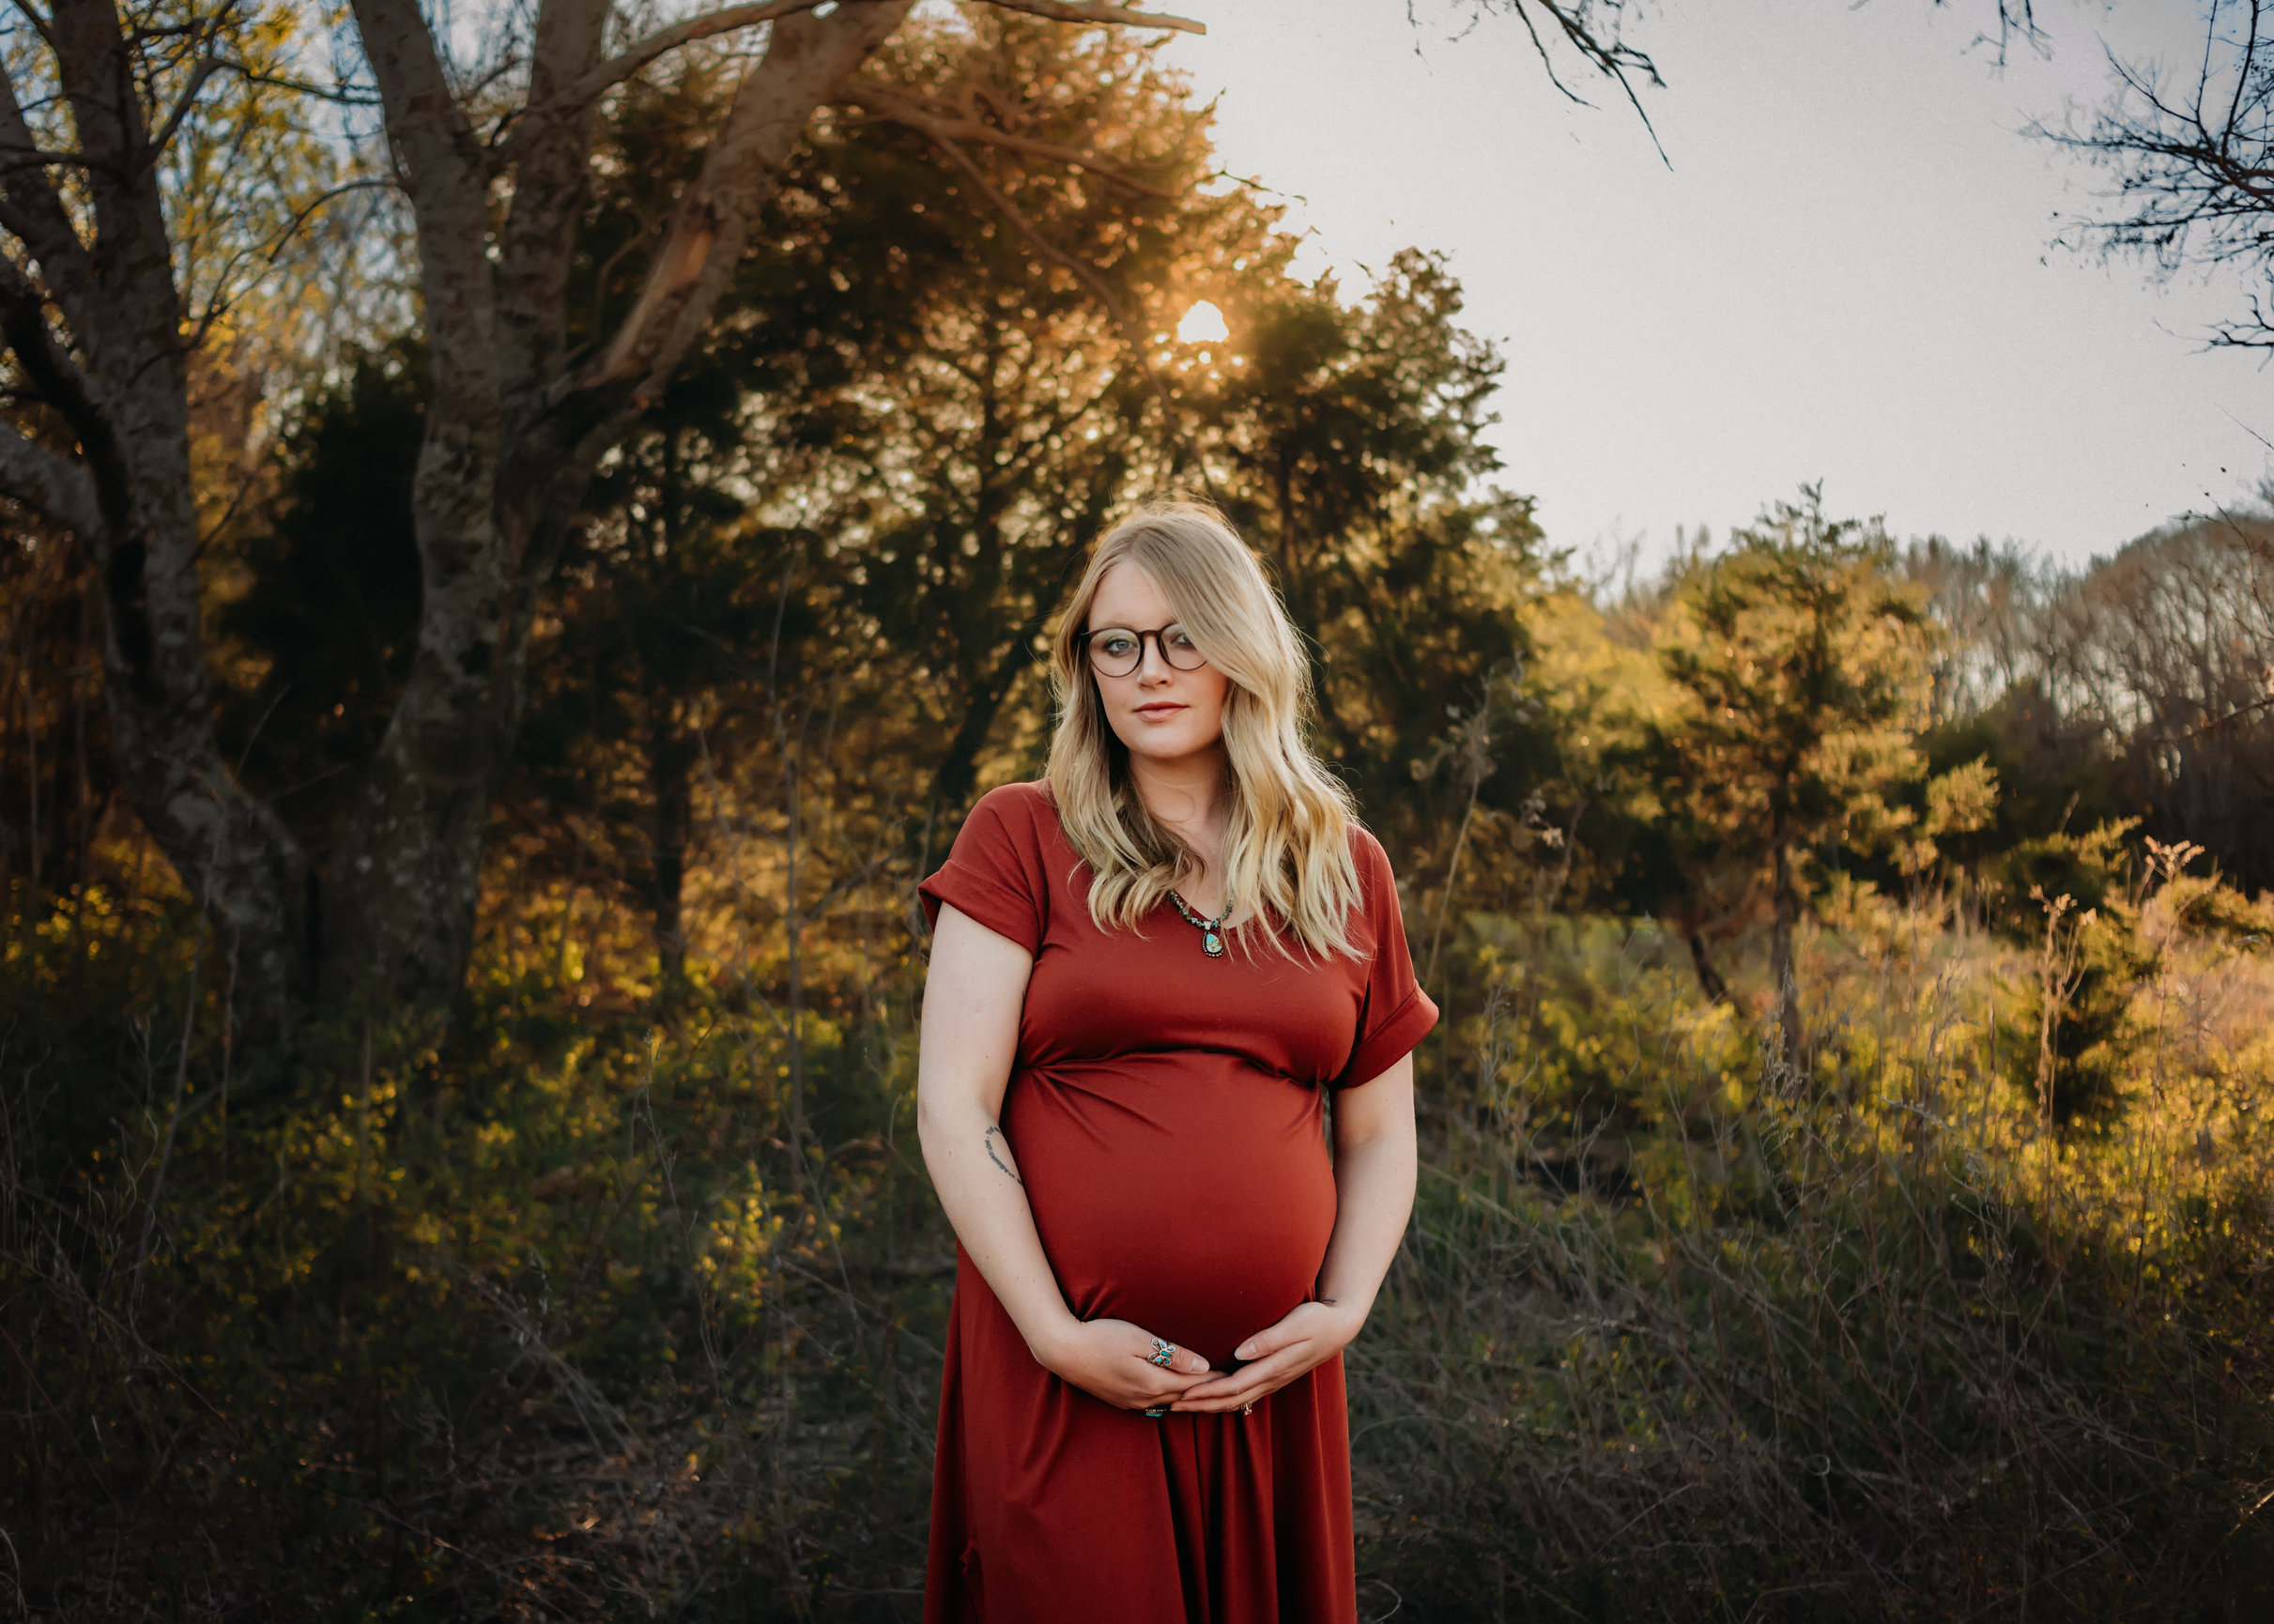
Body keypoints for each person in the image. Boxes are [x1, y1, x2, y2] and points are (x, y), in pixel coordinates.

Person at [915, 503, 1438, 1624]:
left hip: (1271, 1390)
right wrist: (1056, 1333)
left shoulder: (1342, 867)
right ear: (1084, 666)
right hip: (1067, 1375)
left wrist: (1343, 1306)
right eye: (1116, 643)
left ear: (1240, 648)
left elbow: (1382, 1129)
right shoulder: (1020, 835)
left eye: (1181, 636)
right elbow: (954, 1110)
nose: (1147, 669)